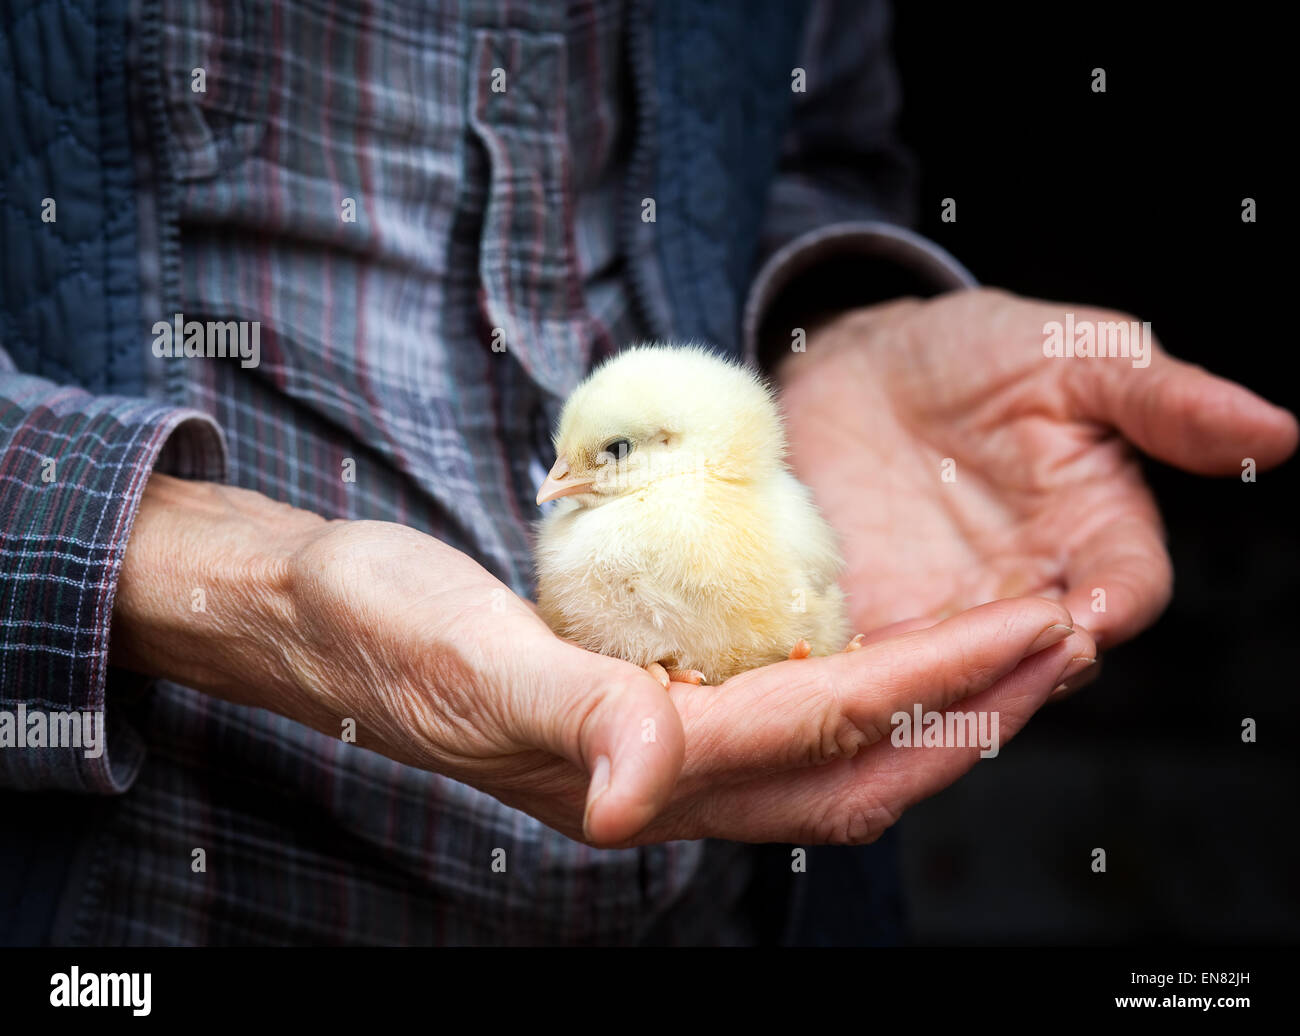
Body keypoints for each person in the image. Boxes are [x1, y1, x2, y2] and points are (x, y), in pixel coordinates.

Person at [1, 0, 1293, 946]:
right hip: (157, 889)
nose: (561, 485)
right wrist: (187, 565)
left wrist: (840, 320)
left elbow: (812, 144)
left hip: (732, 910)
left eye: (601, 460)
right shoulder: (658, 500)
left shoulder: (740, 508)